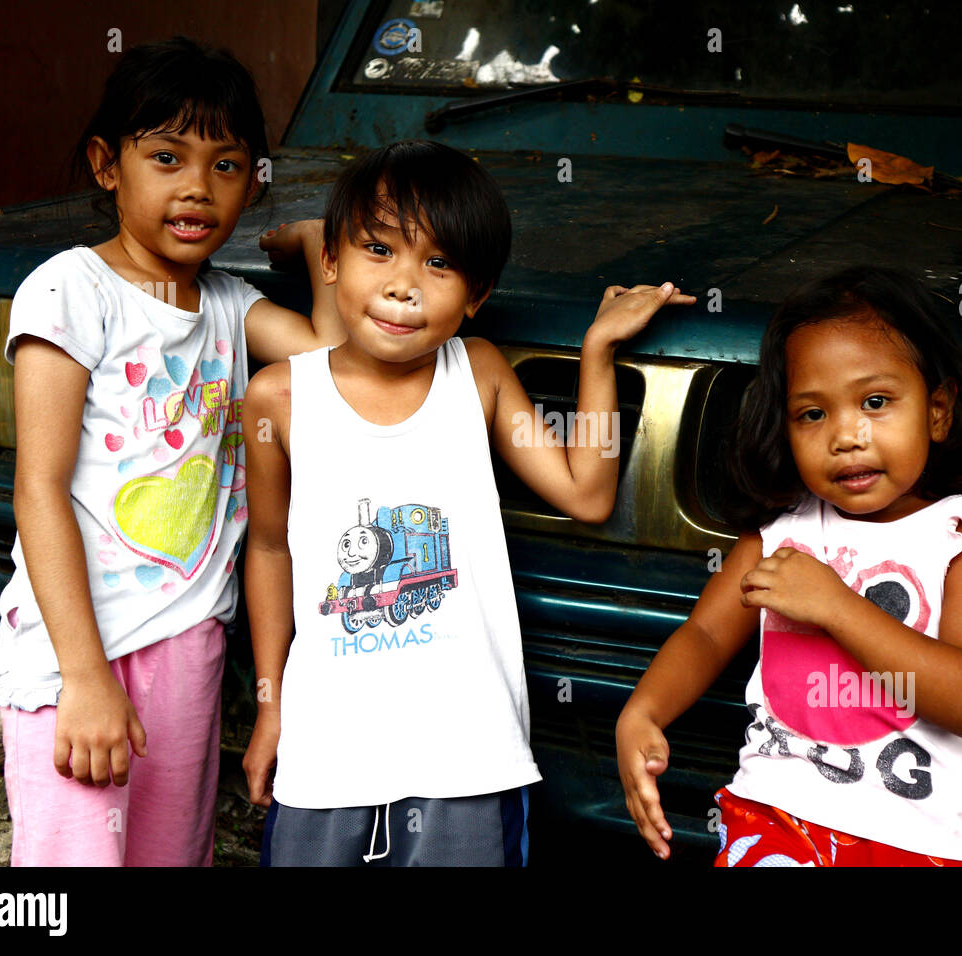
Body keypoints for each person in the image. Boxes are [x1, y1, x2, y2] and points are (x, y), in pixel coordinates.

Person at [241, 140, 694, 866]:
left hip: (471, 754)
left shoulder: (477, 374)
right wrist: (271, 707)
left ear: (476, 296)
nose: (404, 286)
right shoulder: (278, 399)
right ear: (330, 262)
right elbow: (268, 549)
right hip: (327, 754)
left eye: (440, 264)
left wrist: (598, 352)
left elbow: (587, 491)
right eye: (378, 250)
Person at [0, 37, 344, 866]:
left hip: (188, 642)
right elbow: (38, 488)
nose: (196, 188)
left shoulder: (230, 303)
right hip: (77, 647)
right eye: (167, 156)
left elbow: (332, 366)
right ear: (109, 165)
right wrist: (85, 677)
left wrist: (317, 256)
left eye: (226, 165)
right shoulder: (73, 290)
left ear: (253, 182)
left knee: (171, 854)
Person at [616, 266, 962, 866]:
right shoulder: (785, 530)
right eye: (812, 414)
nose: (846, 435)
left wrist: (838, 607)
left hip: (918, 845)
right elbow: (707, 633)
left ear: (938, 410)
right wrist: (643, 711)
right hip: (777, 820)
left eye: (875, 401)